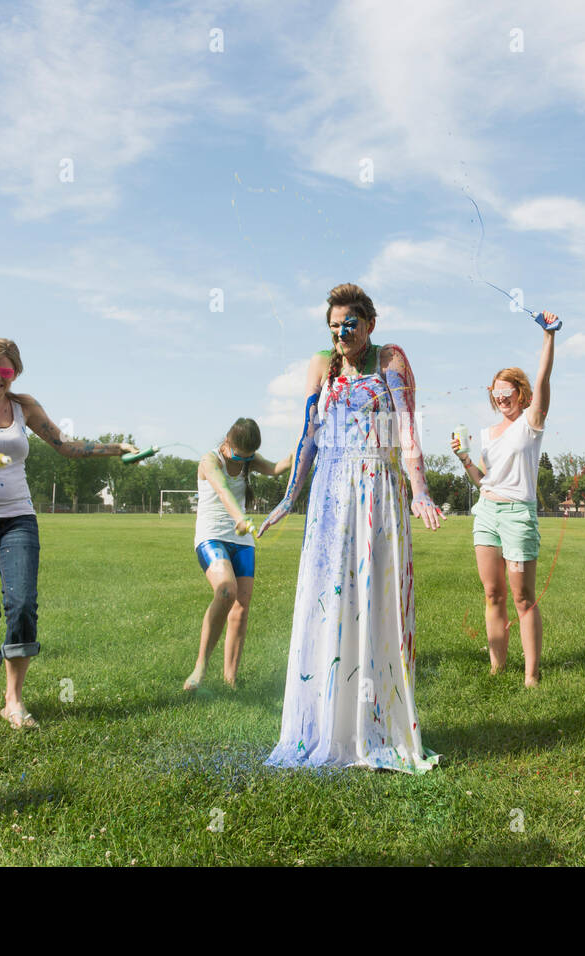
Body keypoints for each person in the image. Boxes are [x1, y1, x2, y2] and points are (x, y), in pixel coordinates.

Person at [258, 283, 444, 773]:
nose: (341, 333)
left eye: (350, 324)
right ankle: (328, 727)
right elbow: (308, 437)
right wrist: (287, 498)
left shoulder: (391, 359)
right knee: (330, 601)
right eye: (334, 325)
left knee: (374, 600)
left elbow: (407, 430)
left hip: (377, 491)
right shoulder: (322, 363)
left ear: (370, 324)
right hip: (329, 495)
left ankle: (377, 726)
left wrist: (419, 489)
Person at [0, 338, 138, 728]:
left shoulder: (24, 407)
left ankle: (13, 701)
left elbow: (66, 446)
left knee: (21, 604)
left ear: (15, 374)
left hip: (18, 518)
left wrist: (114, 447)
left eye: (6, 372)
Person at [450, 315, 560, 687]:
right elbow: (483, 480)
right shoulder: (487, 433)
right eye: (495, 391)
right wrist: (465, 460)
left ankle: (531, 673)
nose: (499, 397)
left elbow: (544, 378)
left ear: (520, 393)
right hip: (487, 513)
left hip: (517, 515)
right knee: (493, 593)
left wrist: (548, 337)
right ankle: (497, 667)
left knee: (523, 596)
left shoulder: (531, 423)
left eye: (505, 391)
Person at [184, 417, 290, 690]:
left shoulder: (249, 460)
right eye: (240, 454)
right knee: (226, 591)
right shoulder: (210, 461)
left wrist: (305, 446)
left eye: (249, 457)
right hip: (212, 536)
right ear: (228, 442)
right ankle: (200, 667)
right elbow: (222, 490)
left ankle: (230, 679)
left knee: (241, 608)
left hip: (242, 543)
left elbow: (277, 468)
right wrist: (239, 517)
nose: (244, 460)